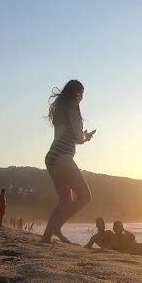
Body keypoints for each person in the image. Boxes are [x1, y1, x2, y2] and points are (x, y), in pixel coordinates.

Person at [40, 79, 96, 244]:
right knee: (85, 196)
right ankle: (56, 226)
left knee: (65, 201)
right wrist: (86, 137)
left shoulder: (60, 108)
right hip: (63, 155)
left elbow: (70, 136)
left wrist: (82, 137)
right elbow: (78, 137)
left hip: (52, 156)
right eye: (82, 94)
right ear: (77, 93)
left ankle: (46, 236)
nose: (82, 98)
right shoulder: (73, 107)